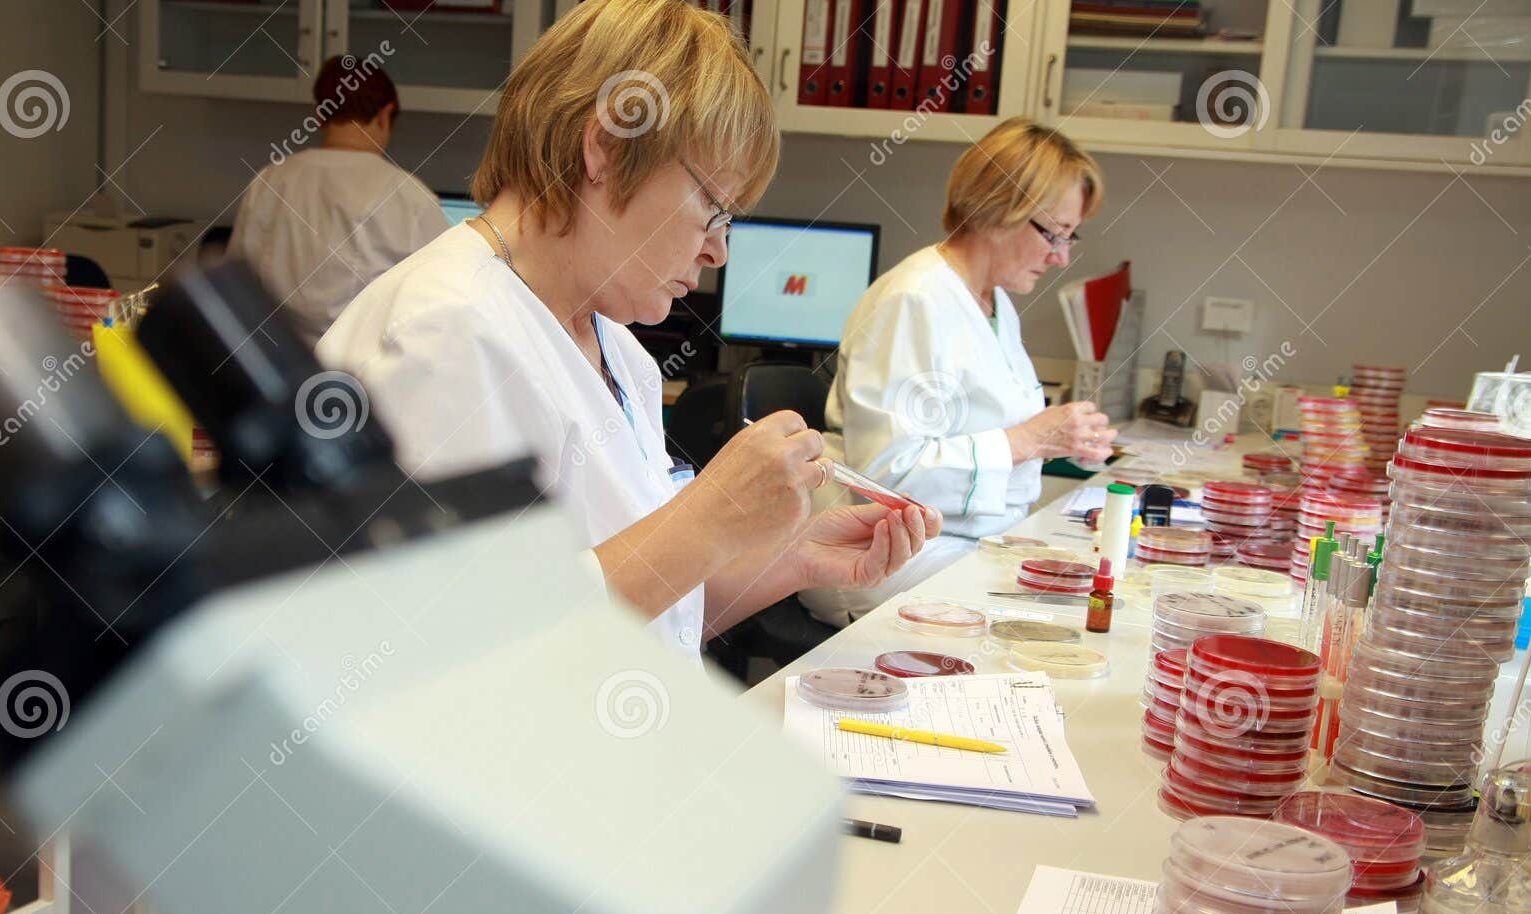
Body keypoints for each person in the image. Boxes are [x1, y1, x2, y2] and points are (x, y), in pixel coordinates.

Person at [317, 0, 940, 661]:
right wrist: (709, 517)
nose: (718, 252)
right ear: (608, 147)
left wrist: (792, 559)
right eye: (713, 208)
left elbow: (646, 611)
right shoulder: (443, 331)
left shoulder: (615, 344)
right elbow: (464, 654)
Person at [800, 118, 1116, 626]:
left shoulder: (993, 304)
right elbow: (887, 475)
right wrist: (1027, 441)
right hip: (886, 553)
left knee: (1098, 591)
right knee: (1047, 625)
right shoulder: (914, 300)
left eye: (1070, 237)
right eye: (1054, 234)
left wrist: (1058, 440)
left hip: (960, 536)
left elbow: (982, 429)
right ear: (997, 212)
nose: (1061, 258)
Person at [229, 56, 447, 346]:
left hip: (277, 361)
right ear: (385, 114)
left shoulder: (269, 181)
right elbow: (445, 296)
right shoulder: (409, 196)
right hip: (362, 373)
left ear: (319, 114)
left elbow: (235, 283)